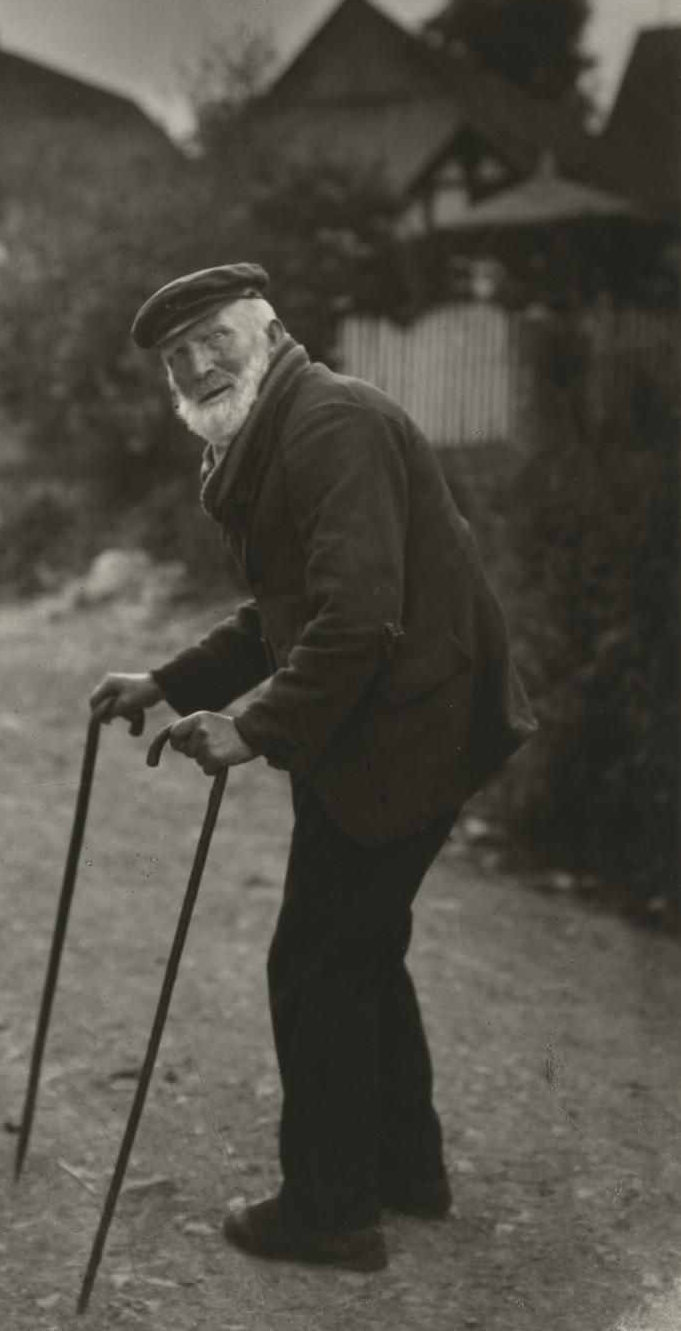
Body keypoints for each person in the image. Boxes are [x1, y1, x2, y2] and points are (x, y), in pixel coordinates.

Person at [89, 263, 535, 1274]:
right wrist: (162, 681)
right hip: (387, 721)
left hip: (411, 725)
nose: (197, 362)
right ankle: (404, 1172)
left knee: (318, 963)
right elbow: (280, 612)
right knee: (359, 948)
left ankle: (331, 1210)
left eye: (212, 336)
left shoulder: (326, 425)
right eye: (177, 355)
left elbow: (358, 618)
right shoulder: (271, 434)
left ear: (266, 326)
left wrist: (254, 730)